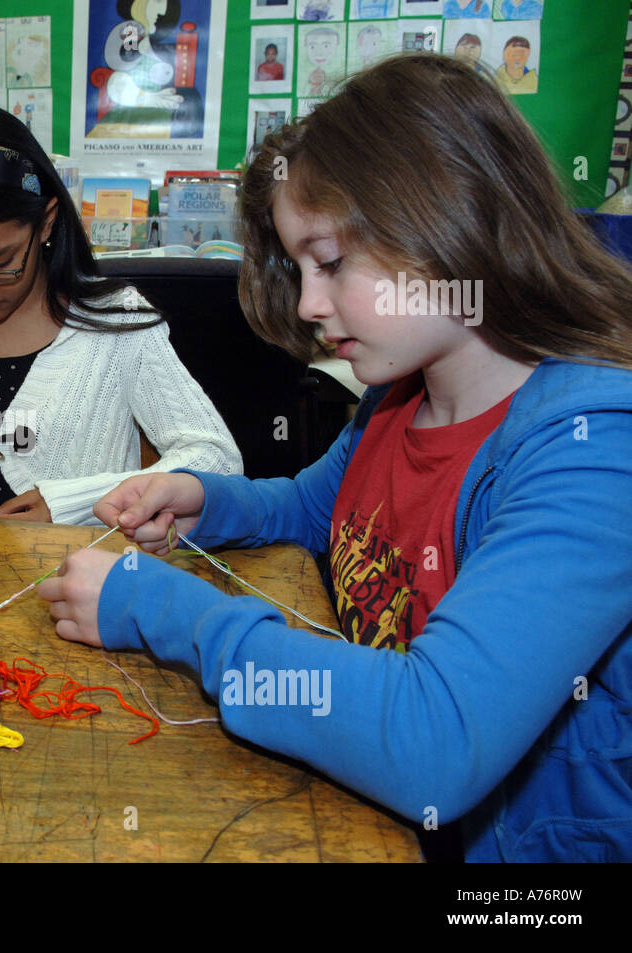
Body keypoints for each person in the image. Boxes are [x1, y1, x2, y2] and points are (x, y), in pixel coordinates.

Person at [38, 54, 632, 862]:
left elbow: (436, 738)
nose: (313, 306)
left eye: (333, 262)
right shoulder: (402, 393)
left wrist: (163, 610)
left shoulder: (595, 456)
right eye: (300, 269)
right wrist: (203, 499)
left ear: (448, 216)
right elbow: (317, 508)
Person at [0, 104, 240, 524]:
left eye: (0, 262)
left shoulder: (119, 323)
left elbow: (214, 459)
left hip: (79, 579)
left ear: (46, 224)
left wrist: (76, 503)